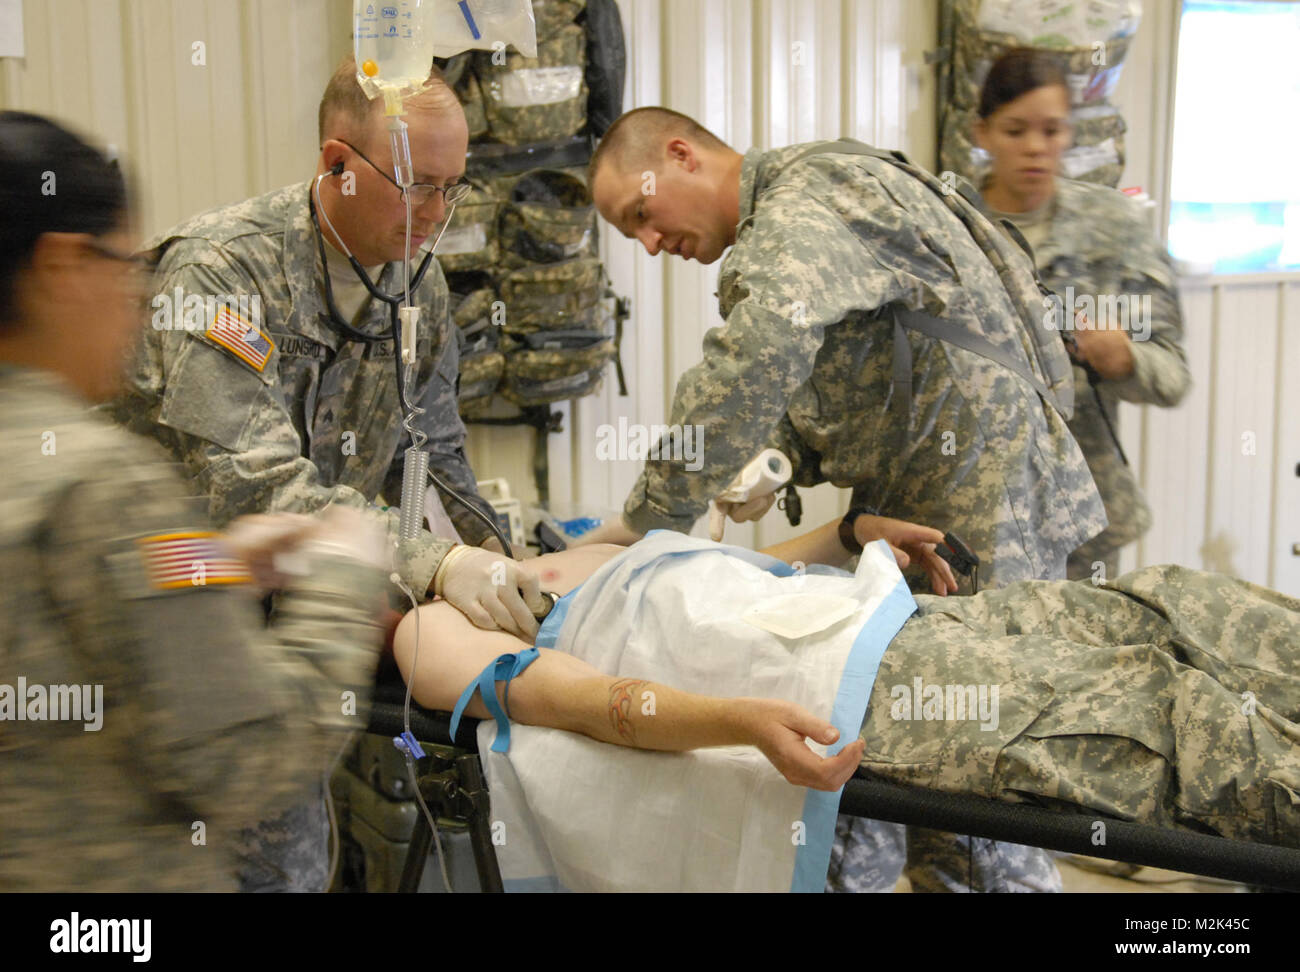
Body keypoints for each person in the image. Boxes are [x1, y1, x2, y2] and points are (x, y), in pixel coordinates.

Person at [584, 106, 1110, 891]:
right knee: (907, 763)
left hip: (978, 509)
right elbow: (856, 364)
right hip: (941, 496)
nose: (653, 245)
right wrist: (778, 461)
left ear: (682, 156)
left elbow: (758, 352)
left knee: (974, 793)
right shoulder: (813, 207)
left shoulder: (808, 196)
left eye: (642, 216)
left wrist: (648, 518)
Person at [393, 519, 1300, 882]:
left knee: (1171, 608)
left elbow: (727, 572)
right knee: (1161, 722)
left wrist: (850, 529)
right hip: (860, 687)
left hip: (879, 617)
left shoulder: (554, 550)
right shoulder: (427, 634)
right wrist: (741, 722)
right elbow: (595, 706)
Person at [0, 111, 393, 891]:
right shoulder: (102, 483)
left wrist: (208, 565)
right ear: (61, 266)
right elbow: (249, 753)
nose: (139, 303)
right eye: (124, 267)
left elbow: (73, 615)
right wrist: (347, 578)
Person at [108, 56, 545, 639]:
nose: (437, 214)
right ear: (338, 164)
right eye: (416, 187)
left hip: (309, 607)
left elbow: (429, 451)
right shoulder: (220, 274)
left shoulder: (418, 282)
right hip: (175, 613)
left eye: (451, 189)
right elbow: (251, 486)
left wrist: (490, 547)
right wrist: (435, 563)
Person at [973, 48, 1191, 580]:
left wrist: (1124, 360)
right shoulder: (948, 225)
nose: (1035, 149)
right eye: (1015, 130)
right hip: (970, 523)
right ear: (982, 134)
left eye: (1051, 131)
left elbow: (1172, 374)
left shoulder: (1111, 229)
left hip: (1081, 525)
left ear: (1069, 133)